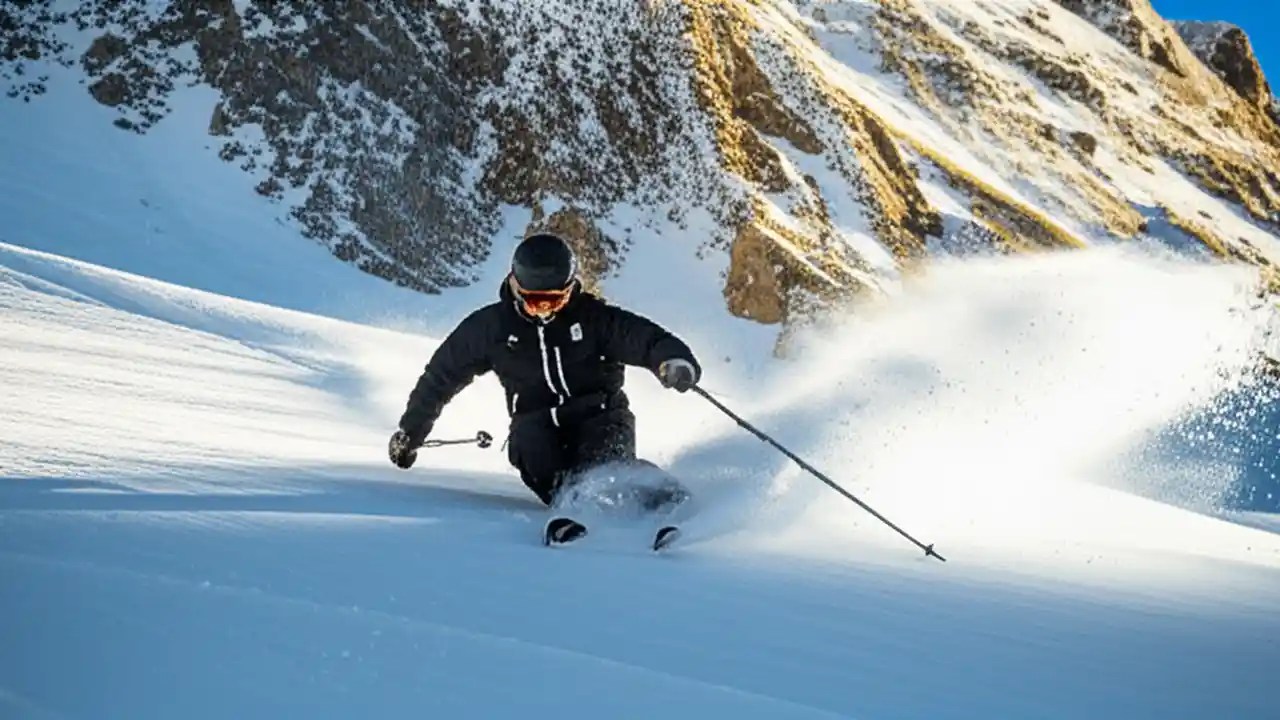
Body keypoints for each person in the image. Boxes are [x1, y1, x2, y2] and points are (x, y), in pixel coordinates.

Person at [388, 232, 701, 507]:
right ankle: (575, 512)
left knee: (606, 470)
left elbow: (644, 339)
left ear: (570, 288)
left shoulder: (594, 320)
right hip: (535, 425)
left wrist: (673, 361)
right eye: (534, 302)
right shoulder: (492, 328)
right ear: (515, 286)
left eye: (554, 301)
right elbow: (441, 377)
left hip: (600, 417)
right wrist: (411, 433)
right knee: (534, 453)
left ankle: (667, 503)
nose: (544, 310)